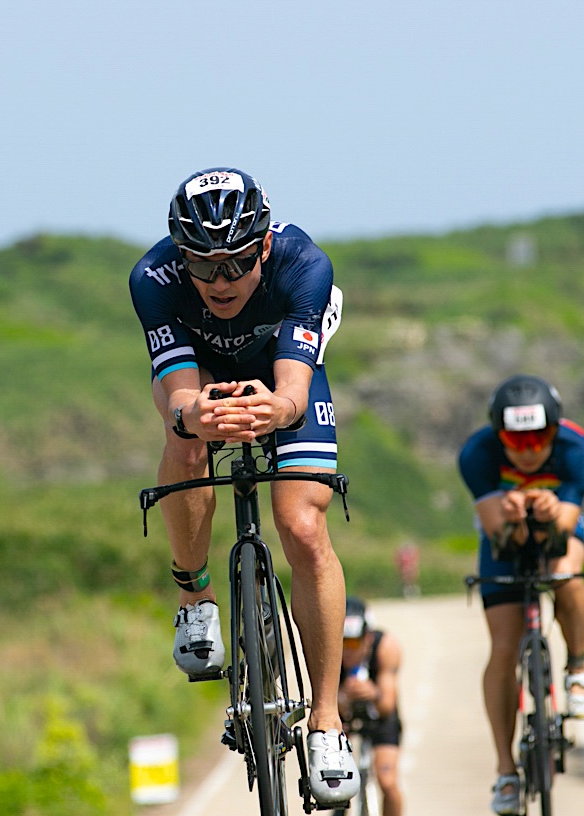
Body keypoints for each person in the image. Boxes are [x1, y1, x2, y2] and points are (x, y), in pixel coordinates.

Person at [129, 167, 357, 806]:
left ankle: (327, 722)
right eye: (202, 265)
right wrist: (192, 412)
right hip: (204, 372)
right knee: (184, 437)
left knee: (303, 527)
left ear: (260, 248)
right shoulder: (153, 278)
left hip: (281, 371)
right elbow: (174, 391)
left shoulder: (302, 263)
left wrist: (276, 410)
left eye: (234, 263)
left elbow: (293, 390)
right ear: (181, 257)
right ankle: (194, 599)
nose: (220, 281)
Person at [457, 374, 584, 815]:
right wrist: (513, 521)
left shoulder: (577, 452)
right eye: (515, 440)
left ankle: (577, 668)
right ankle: (505, 771)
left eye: (539, 437)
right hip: (504, 538)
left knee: (565, 575)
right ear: (498, 435)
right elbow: (501, 542)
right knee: (503, 647)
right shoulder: (477, 455)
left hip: (560, 530)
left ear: (555, 429)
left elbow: (561, 539)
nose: (528, 449)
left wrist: (553, 513)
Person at [338, 597, 404, 816]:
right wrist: (344, 698)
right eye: (341, 643)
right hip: (342, 715)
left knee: (387, 782)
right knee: (334, 785)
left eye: (353, 643)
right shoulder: (328, 652)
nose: (346, 651)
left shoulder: (386, 646)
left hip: (380, 715)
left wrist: (373, 692)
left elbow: (387, 706)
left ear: (367, 638)